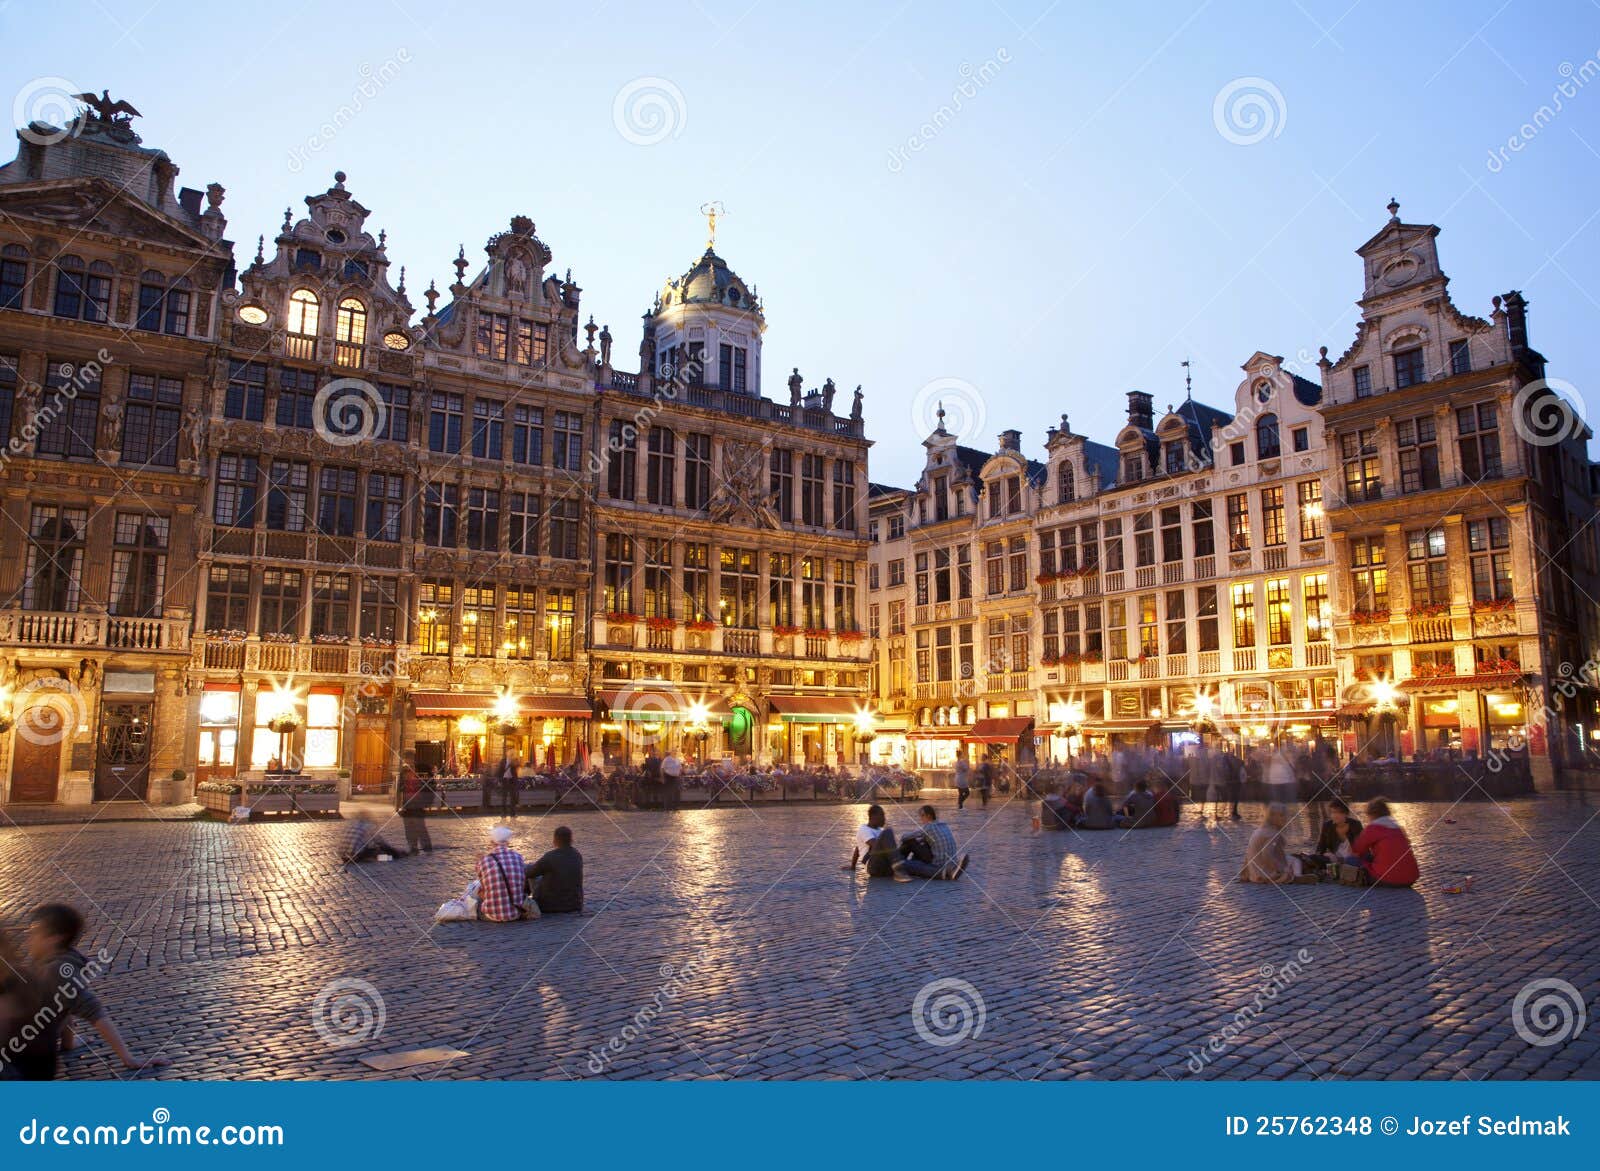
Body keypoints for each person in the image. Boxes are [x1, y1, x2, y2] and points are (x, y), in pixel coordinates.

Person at [21, 904, 168, 1076]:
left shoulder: (57, 970)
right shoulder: (43, 961)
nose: (28, 937)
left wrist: (129, 1059)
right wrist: (68, 1043)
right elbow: (61, 1004)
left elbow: (94, 1011)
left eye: (34, 931)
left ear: (54, 938)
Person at [1348, 798, 1420, 887]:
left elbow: (1356, 850)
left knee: (1350, 860)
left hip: (1387, 879)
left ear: (1372, 814)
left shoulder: (1373, 828)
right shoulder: (1398, 828)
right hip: (1410, 878)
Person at [1239, 804, 1313, 884]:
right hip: (1265, 874)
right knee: (1295, 861)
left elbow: (1248, 855)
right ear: (1272, 817)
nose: (1285, 818)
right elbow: (1267, 854)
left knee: (1288, 858)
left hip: (1254, 874)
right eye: (1281, 816)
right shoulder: (1273, 834)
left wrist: (1244, 873)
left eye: (1284, 815)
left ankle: (1294, 875)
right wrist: (1279, 869)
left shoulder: (1258, 831)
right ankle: (1297, 876)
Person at [892, 805, 969, 881]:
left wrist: (906, 838)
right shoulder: (944, 825)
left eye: (922, 816)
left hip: (938, 864)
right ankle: (903, 861)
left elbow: (906, 837)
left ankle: (899, 863)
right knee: (916, 842)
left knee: (909, 844)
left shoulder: (929, 827)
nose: (921, 819)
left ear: (928, 816)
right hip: (950, 861)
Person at [475, 826, 529, 922]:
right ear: (508, 842)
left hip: (491, 915)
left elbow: (484, 888)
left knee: (476, 891)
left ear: (492, 842)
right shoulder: (518, 857)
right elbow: (522, 884)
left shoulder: (484, 860)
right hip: (516, 913)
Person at [526, 826, 584, 914]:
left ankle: (524, 901)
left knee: (532, 872)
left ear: (555, 840)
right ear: (571, 840)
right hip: (575, 904)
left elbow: (529, 873)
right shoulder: (577, 855)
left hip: (549, 906)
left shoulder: (550, 857)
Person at [844, 804, 898, 877]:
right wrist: (852, 866)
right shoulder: (864, 829)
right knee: (888, 832)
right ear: (873, 816)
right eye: (881, 815)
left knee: (908, 841)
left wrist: (853, 866)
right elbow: (876, 845)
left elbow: (858, 848)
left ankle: (903, 866)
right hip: (873, 866)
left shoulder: (880, 830)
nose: (884, 818)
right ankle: (899, 868)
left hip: (885, 863)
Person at [396, 749, 433, 855]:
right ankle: (413, 847)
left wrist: (426, 802)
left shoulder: (421, 769)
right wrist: (398, 806)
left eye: (409, 758)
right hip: (407, 804)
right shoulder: (403, 771)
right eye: (406, 758)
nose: (407, 761)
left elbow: (428, 785)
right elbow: (400, 789)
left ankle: (427, 847)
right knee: (409, 828)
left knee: (420, 827)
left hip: (417, 803)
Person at [495, 750, 521, 820]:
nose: (512, 755)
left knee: (513, 798)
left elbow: (518, 765)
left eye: (513, 754)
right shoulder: (503, 761)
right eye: (510, 754)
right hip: (505, 780)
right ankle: (503, 813)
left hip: (512, 780)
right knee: (504, 798)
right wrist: (499, 779)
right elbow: (500, 770)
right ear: (507, 754)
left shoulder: (514, 761)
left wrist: (515, 761)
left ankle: (513, 813)